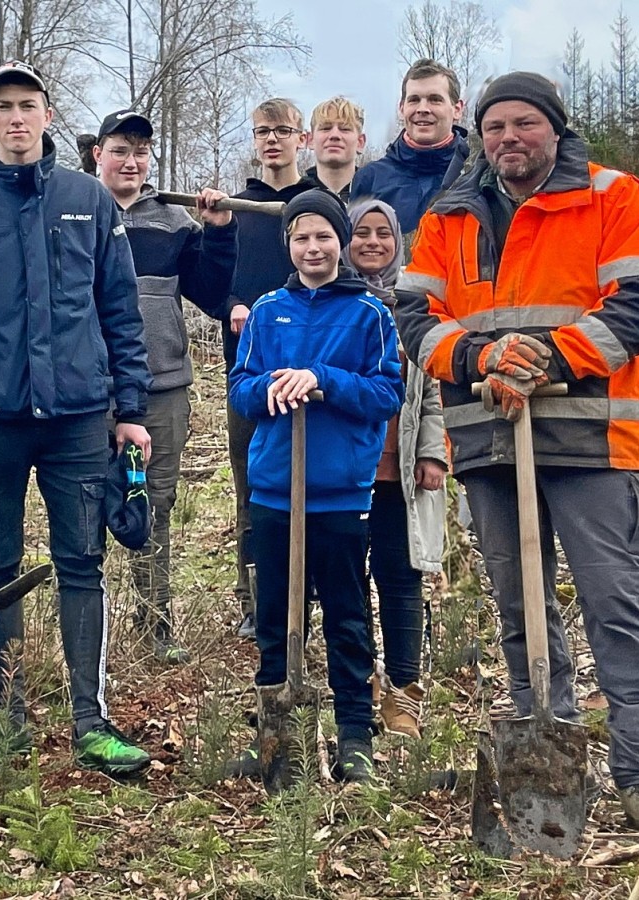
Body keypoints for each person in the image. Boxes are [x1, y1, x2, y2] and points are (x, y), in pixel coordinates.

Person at [394, 72, 639, 824]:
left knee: (616, 605)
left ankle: (636, 770)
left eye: (524, 124)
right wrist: (479, 361)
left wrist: (546, 358)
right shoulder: (450, 215)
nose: (509, 138)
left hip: (592, 435)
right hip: (488, 438)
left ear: (555, 129)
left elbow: (633, 305)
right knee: (518, 605)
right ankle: (547, 744)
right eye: (496, 126)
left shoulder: (614, 196)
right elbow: (415, 312)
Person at [0, 60, 155, 778]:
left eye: (29, 106)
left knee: (83, 563)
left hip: (80, 417)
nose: (17, 119)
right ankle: (8, 719)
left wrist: (130, 411)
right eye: (3, 107)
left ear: (48, 115)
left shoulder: (91, 201)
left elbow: (120, 311)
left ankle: (91, 721)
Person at [230, 189, 402, 783]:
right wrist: (273, 389)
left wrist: (321, 379)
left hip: (340, 492)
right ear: (289, 245)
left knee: (348, 618)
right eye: (301, 237)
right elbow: (241, 389)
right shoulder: (267, 310)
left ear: (341, 243)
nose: (313, 248)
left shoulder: (369, 314)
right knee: (277, 615)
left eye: (323, 236)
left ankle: (355, 735)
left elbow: (385, 395)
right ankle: (280, 732)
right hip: (278, 490)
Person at [94, 108, 237, 665]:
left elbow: (208, 290)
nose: (131, 161)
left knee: (153, 503)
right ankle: (93, 631)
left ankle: (154, 626)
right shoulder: (77, 212)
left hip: (162, 388)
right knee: (87, 505)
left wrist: (219, 235)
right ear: (97, 155)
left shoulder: (175, 223)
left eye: (140, 151)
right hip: (92, 391)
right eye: (120, 150)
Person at [343, 198, 445, 739]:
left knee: (400, 578)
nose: (373, 242)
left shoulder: (415, 302)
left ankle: (405, 693)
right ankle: (361, 683)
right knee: (347, 581)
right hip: (344, 469)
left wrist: (433, 451)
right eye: (362, 233)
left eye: (384, 233)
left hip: (397, 467)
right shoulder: (332, 300)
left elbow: (432, 389)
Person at [225, 99, 319, 639]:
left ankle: (310, 595)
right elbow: (217, 278)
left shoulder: (315, 208)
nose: (273, 140)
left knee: (314, 490)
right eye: (263, 132)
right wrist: (231, 302)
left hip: (312, 377)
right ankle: (254, 600)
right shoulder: (238, 209)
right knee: (252, 490)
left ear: (301, 138)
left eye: (283, 131)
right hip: (250, 377)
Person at [350, 59, 471, 236]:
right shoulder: (370, 179)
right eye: (414, 100)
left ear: (457, 109)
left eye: (435, 100)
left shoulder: (476, 175)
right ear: (401, 108)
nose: (423, 109)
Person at [305, 97, 366, 201]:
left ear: (360, 142)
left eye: (345, 129)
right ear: (310, 140)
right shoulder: (293, 194)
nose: (334, 135)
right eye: (325, 128)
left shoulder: (377, 195)